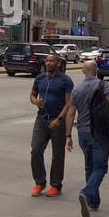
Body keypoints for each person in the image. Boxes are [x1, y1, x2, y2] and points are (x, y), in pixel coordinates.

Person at [66, 60, 109, 217]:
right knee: (101, 167)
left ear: (83, 71)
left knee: (89, 166)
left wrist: (68, 136)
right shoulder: (104, 86)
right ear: (96, 71)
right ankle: (87, 192)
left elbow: (70, 113)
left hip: (83, 132)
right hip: (100, 132)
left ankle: (93, 202)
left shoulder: (76, 89)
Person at [29, 53, 73, 197]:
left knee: (57, 155)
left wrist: (59, 119)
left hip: (57, 121)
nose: (48, 63)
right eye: (47, 61)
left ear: (58, 63)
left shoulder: (65, 80)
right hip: (41, 119)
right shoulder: (40, 78)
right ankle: (39, 182)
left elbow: (69, 103)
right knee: (35, 150)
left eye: (51, 61)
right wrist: (36, 101)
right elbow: (32, 95)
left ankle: (56, 185)